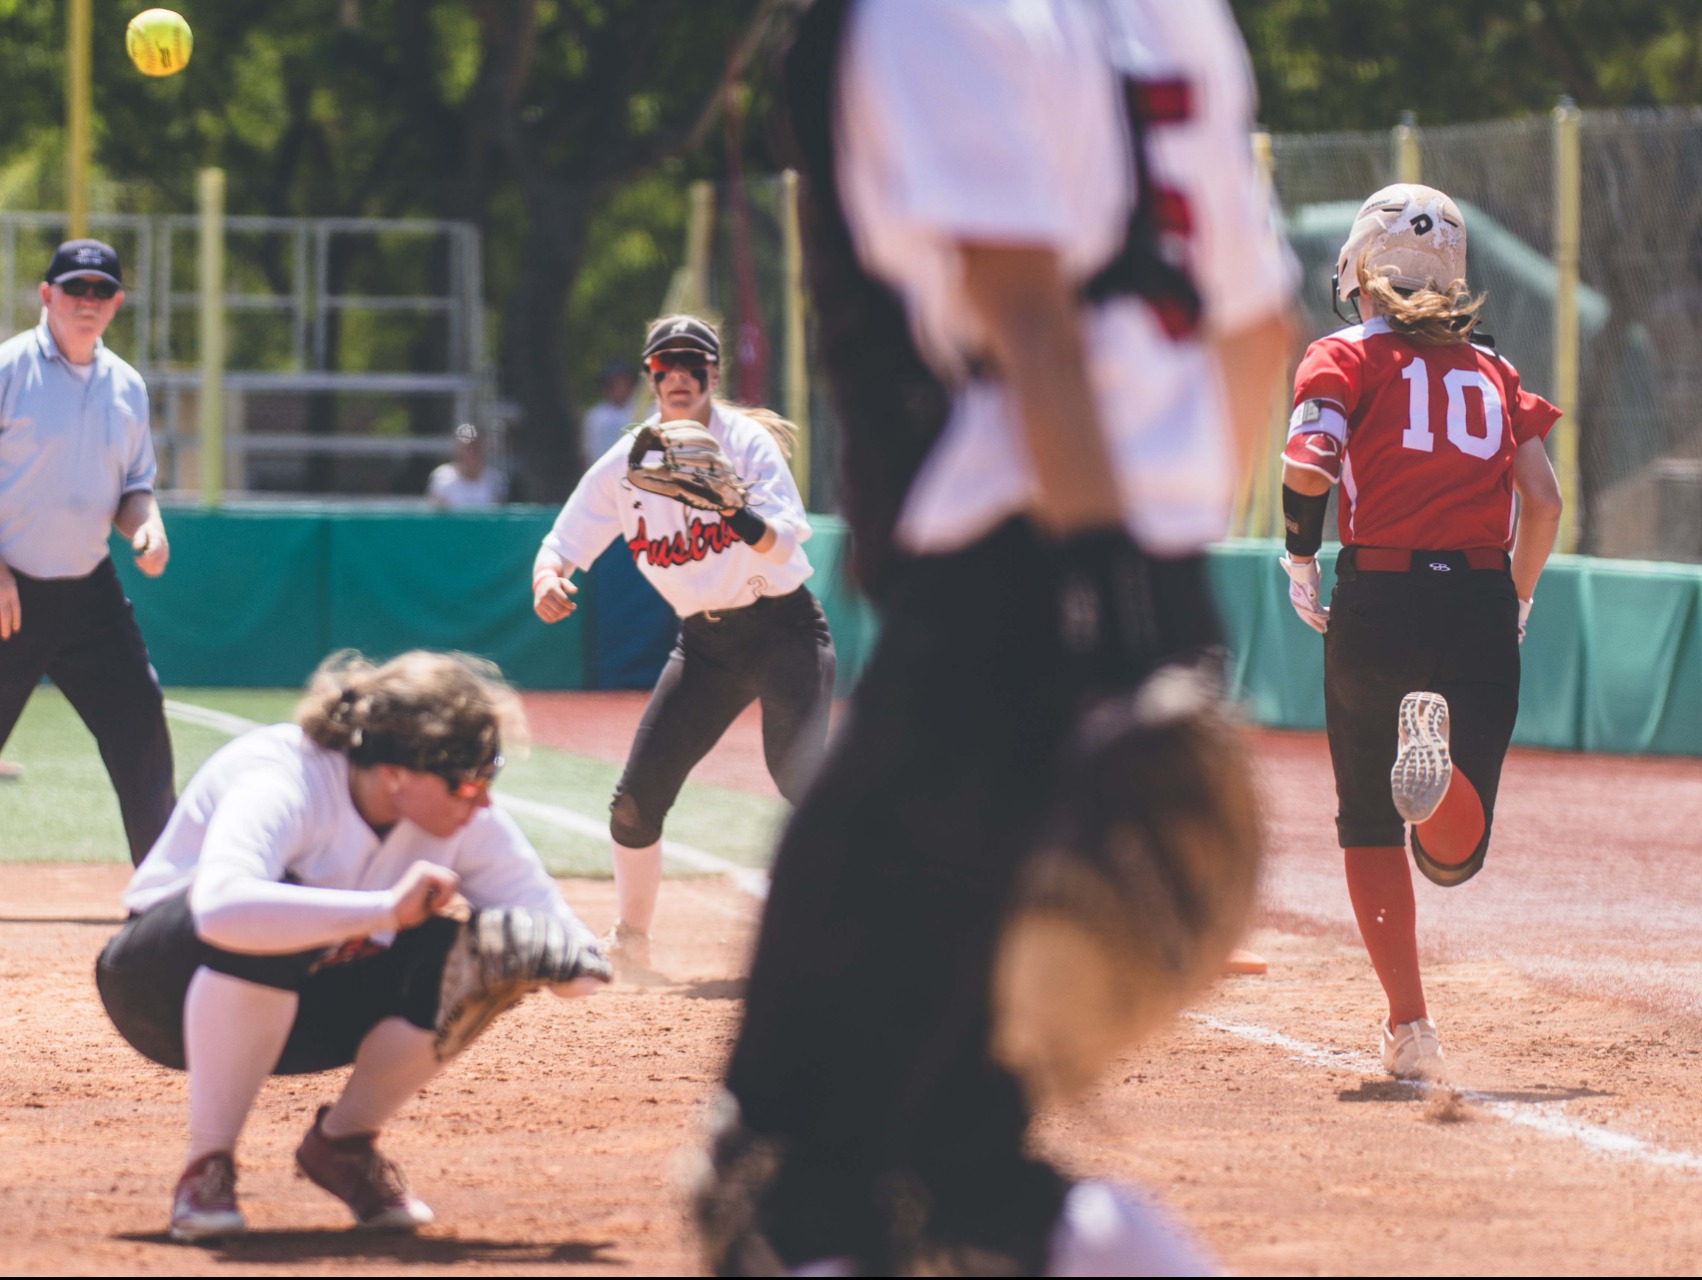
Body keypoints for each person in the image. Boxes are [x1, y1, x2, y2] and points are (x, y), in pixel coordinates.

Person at [696, 2, 1297, 1273]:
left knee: (792, 1165)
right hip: (1159, 565)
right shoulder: (1173, 14)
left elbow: (1028, 316)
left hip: (1014, 591)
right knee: (965, 1149)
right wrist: (1167, 606)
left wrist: (1095, 596)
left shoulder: (930, 14)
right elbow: (1256, 331)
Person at [96, 650, 608, 1242]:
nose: (483, 799)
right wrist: (385, 911)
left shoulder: (467, 821)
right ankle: (206, 1166)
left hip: (304, 1017)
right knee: (275, 911)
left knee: (479, 952)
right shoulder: (285, 773)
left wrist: (563, 964)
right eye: (469, 781)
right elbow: (220, 908)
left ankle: (343, 1145)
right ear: (395, 773)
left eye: (488, 776)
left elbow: (566, 939)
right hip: (159, 989)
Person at [1277, 184, 1563, 1078]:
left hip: (1379, 599)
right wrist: (1517, 600)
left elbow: (1309, 465)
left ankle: (1411, 1030)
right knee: (1451, 857)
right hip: (1478, 599)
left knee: (1368, 820)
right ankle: (1435, 790)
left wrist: (1299, 558)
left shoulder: (1340, 355)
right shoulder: (1495, 370)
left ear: (1359, 271)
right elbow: (1545, 502)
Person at [533, 314, 835, 979]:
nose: (677, 375)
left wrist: (729, 507)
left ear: (713, 374)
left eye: (691, 364)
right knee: (635, 804)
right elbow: (562, 543)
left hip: (782, 628)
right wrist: (548, 579)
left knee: (801, 778)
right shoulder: (629, 459)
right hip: (706, 646)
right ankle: (631, 942)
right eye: (663, 365)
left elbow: (785, 539)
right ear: (650, 377)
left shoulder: (745, 442)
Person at [0, 238, 174, 864]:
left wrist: (148, 527)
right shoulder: (8, 369)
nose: (88, 300)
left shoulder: (126, 386)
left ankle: (163, 894)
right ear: (47, 295)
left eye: (102, 291)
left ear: (117, 303)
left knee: (141, 727)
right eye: (75, 287)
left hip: (87, 592)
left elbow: (134, 490)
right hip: (8, 594)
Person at [426, 422, 508, 508]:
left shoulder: (495, 480)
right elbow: (436, 511)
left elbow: (499, 512)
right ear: (459, 449)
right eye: (468, 448)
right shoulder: (442, 477)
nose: (472, 452)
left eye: (476, 447)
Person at [581, 359, 639, 467]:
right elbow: (588, 451)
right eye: (613, 384)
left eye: (623, 383)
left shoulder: (643, 411)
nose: (620, 389)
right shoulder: (595, 416)